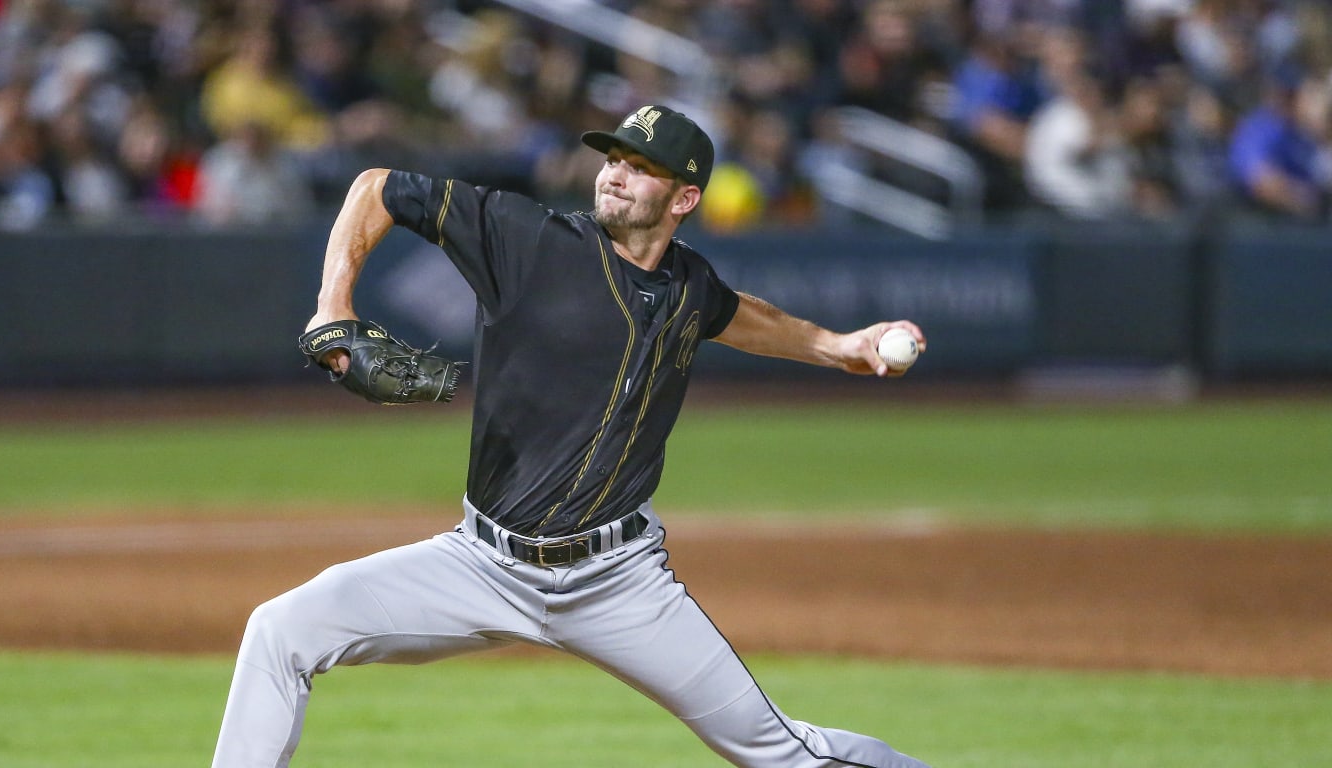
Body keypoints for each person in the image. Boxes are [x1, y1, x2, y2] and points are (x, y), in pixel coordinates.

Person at [211, 104, 932, 768]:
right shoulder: (528, 240)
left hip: (619, 582)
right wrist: (331, 304)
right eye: (613, 157)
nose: (615, 172)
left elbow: (740, 315)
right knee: (280, 631)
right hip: (480, 565)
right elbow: (377, 187)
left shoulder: (689, 285)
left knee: (782, 753)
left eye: (639, 166)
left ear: (683, 199)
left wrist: (840, 345)